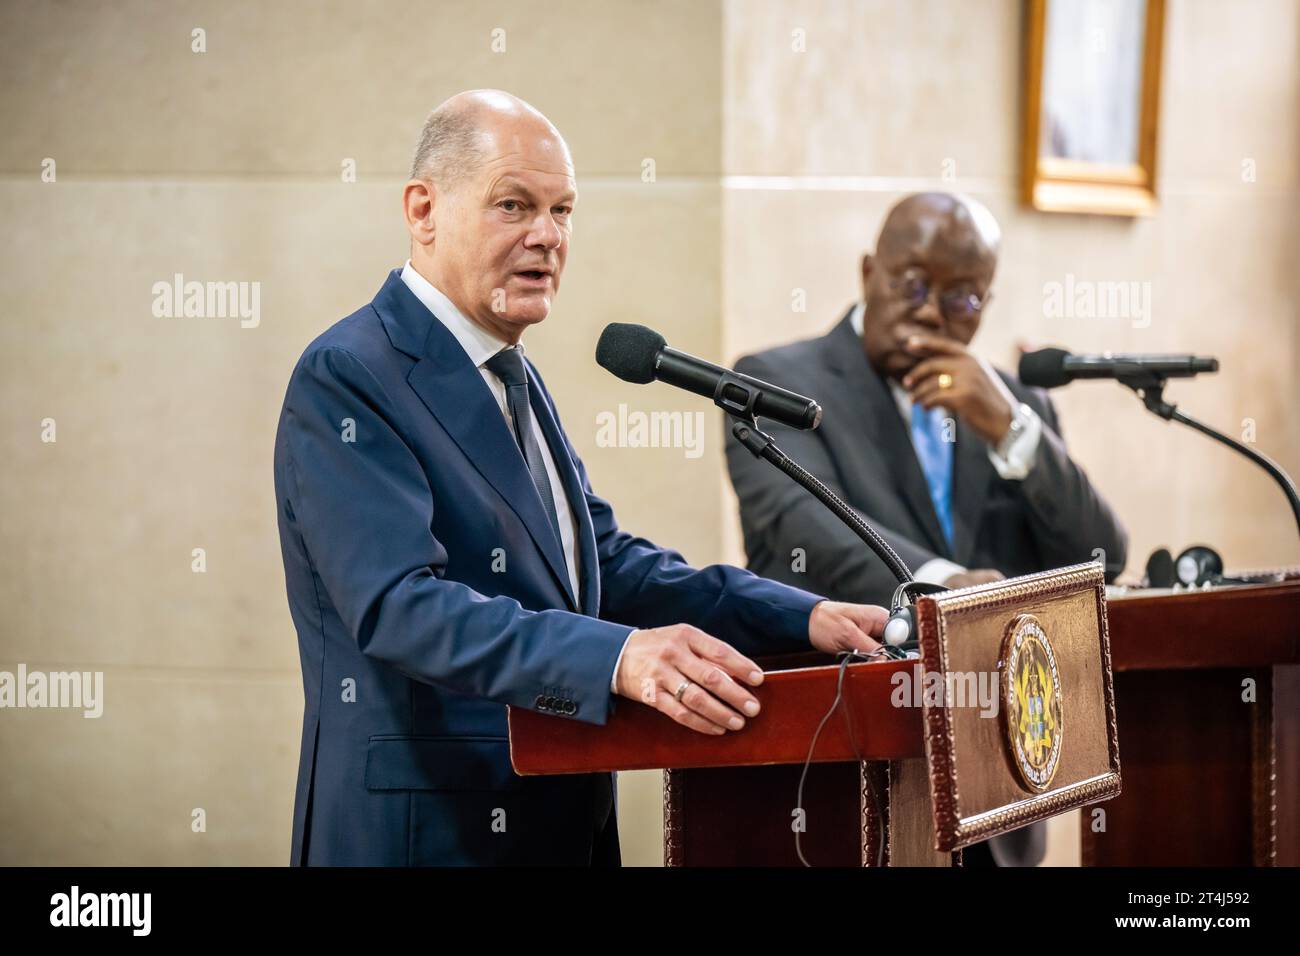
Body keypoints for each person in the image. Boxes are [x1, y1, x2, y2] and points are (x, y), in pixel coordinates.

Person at [273, 89, 890, 866]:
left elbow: (605, 566)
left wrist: (800, 619)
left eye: (563, 210)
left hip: (561, 820)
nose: (548, 236)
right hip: (426, 830)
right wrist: (617, 659)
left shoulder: (511, 375)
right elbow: (401, 606)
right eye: (514, 205)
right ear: (423, 210)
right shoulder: (350, 374)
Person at [724, 192, 1128, 866]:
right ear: (866, 273)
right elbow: (809, 530)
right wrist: (947, 588)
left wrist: (1011, 430)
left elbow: (1101, 555)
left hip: (1002, 775)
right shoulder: (774, 383)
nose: (932, 311)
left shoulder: (1014, 406)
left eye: (962, 297)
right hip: (852, 772)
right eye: (912, 283)